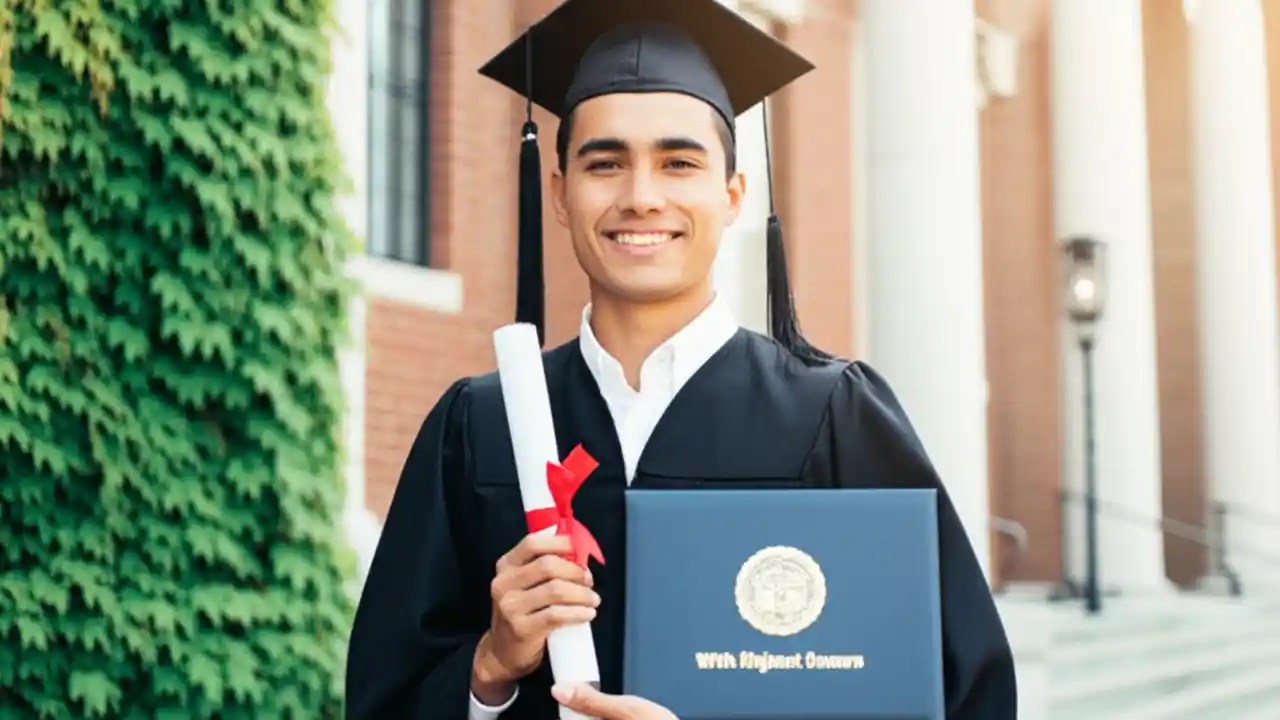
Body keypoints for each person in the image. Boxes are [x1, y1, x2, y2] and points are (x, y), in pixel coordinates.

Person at [344, 0, 1017, 718]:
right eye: (605, 164)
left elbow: (955, 695)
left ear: (731, 195)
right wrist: (489, 670)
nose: (641, 197)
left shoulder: (833, 420)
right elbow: (386, 697)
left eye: (678, 163)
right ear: (560, 192)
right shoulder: (480, 425)